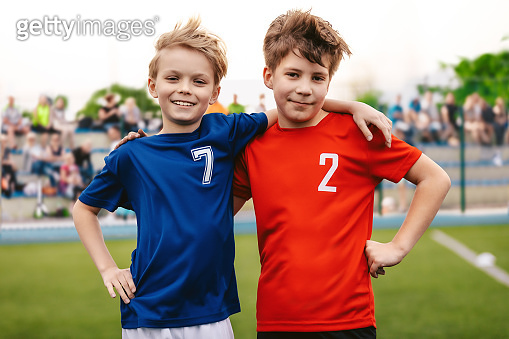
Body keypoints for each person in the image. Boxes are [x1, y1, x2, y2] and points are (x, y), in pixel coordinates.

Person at [74, 17, 392, 338]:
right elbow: (83, 209)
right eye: (173, 78)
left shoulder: (225, 130)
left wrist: (351, 106)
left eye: (199, 81)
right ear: (153, 85)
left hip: (211, 309)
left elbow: (291, 104)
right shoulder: (132, 154)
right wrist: (107, 268)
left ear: (215, 92)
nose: (185, 88)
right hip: (146, 309)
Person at [232, 10, 451, 338]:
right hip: (277, 321)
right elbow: (215, 215)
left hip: (350, 322)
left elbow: (435, 179)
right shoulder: (252, 145)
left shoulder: (359, 132)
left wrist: (398, 247)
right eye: (293, 74)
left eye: (317, 77)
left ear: (329, 81)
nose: (305, 88)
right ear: (268, 76)